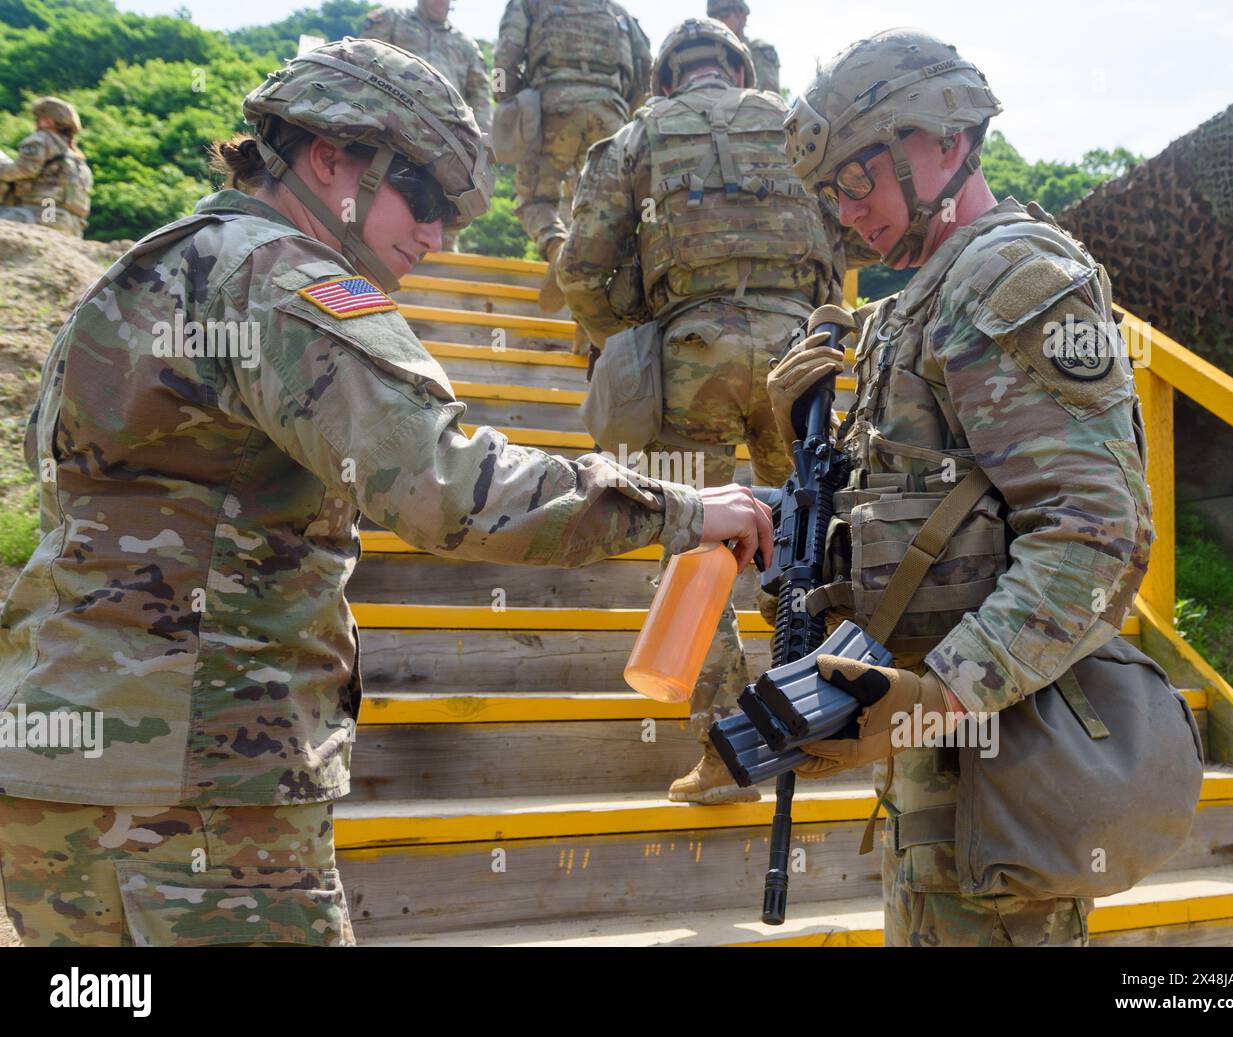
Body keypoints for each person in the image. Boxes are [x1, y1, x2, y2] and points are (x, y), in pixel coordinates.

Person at [0, 38, 771, 947]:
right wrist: (681, 508)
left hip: (56, 766)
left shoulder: (142, 274)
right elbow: (446, 487)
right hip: (202, 788)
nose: (441, 234)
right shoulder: (290, 282)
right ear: (333, 157)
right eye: (427, 196)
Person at [769, 29, 1153, 946]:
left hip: (1002, 772)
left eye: (856, 180)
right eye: (831, 194)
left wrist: (933, 697)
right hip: (939, 779)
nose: (845, 211)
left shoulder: (1012, 280)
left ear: (938, 140)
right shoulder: (920, 298)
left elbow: (1097, 535)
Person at [556, 19, 837, 804]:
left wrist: (636, 334)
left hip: (690, 357)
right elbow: (841, 244)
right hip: (799, 356)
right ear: (739, 68)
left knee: (694, 543)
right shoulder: (790, 124)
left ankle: (728, 755)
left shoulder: (637, 135)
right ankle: (822, 717)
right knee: (809, 537)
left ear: (664, 78)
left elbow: (580, 267)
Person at [493, 0, 653, 312]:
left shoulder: (530, 3)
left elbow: (504, 57)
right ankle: (595, 315)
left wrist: (508, 98)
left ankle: (557, 249)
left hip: (553, 106)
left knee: (535, 200)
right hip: (611, 114)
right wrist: (628, 113)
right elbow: (646, 68)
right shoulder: (618, 11)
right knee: (612, 213)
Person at [359, 0, 490, 253]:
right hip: (390, 137)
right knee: (379, 207)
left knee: (443, 220)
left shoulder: (466, 45)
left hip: (447, 147)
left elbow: (481, 98)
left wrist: (479, 148)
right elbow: (361, 66)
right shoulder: (390, 21)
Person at [0, 96, 93, 237]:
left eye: (37, 119)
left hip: (41, 215)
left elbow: (24, 169)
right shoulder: (76, 155)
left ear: (47, 121)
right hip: (71, 224)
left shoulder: (41, 139)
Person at [707, 0, 779, 94]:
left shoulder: (758, 50)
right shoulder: (708, 53)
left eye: (724, 14)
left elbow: (767, 97)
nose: (718, 20)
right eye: (713, 17)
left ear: (742, 16)